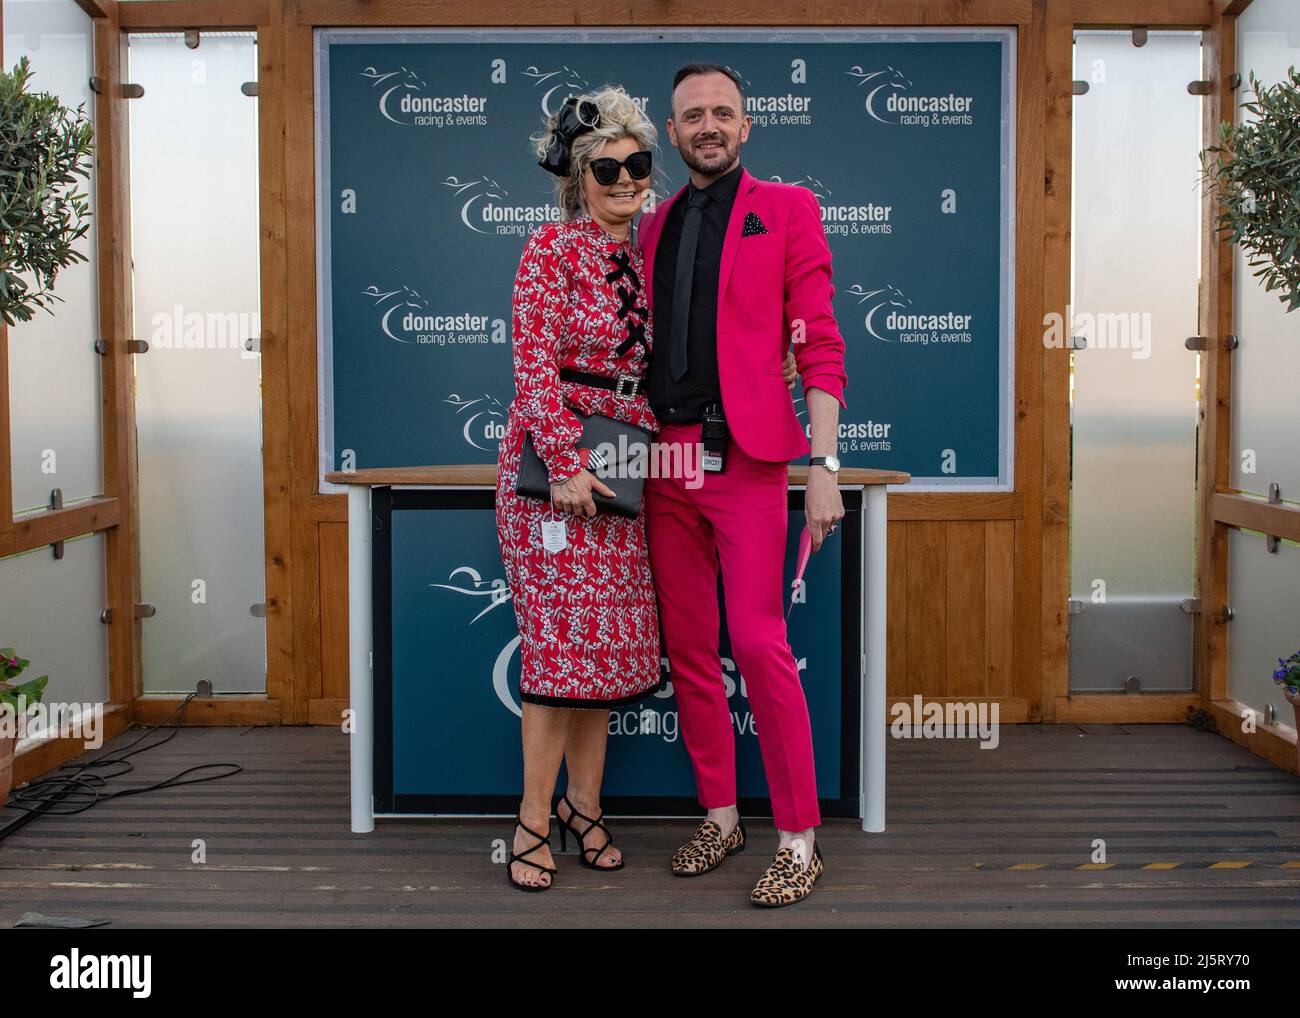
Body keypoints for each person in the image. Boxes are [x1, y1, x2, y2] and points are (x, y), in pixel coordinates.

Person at [638, 63, 848, 907]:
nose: (709, 125)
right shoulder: (652, 226)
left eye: (722, 112)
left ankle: (799, 839)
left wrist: (823, 467)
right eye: (693, 115)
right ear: (673, 130)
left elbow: (819, 343)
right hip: (662, 463)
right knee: (689, 650)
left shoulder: (787, 209)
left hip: (748, 461)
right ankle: (721, 817)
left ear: (746, 125)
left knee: (758, 643)